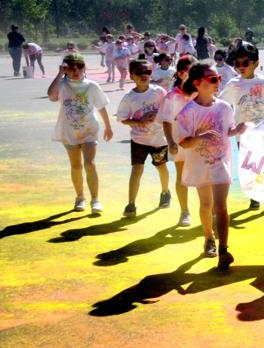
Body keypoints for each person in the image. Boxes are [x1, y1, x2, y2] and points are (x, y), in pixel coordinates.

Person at [174, 61, 247, 267]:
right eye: (213, 79)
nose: (218, 83)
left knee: (221, 206)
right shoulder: (188, 112)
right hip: (199, 164)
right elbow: (184, 143)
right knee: (206, 205)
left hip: (220, 162)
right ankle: (208, 237)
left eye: (219, 79)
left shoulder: (224, 107)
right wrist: (200, 137)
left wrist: (237, 130)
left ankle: (224, 249)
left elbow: (227, 130)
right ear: (197, 83)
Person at [46, 53, 113, 214]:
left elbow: (101, 106)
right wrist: (59, 74)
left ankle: (95, 199)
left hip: (89, 129)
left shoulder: (92, 86)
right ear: (65, 68)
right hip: (69, 131)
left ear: (84, 68)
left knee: (89, 164)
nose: (75, 70)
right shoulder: (62, 85)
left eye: (79, 66)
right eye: (70, 67)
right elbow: (51, 95)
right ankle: (80, 197)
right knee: (76, 166)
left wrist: (108, 127)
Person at [220, 42, 264, 212]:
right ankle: (254, 197)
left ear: (255, 63)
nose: (240, 67)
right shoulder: (233, 84)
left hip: (263, 129)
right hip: (243, 131)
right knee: (249, 165)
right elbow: (222, 104)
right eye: (237, 64)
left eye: (245, 63)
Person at [117, 59, 171, 218]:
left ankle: (165, 192)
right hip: (139, 140)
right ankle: (131, 204)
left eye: (147, 72)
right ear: (132, 75)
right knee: (136, 170)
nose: (144, 75)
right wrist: (138, 122)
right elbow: (123, 119)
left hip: (159, 140)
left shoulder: (159, 91)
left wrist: (157, 114)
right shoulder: (129, 97)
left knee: (161, 166)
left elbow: (168, 109)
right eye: (140, 72)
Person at [155, 55, 197, 227]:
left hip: (200, 142)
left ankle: (209, 211)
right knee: (182, 177)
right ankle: (184, 211)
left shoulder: (201, 92)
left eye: (192, 71)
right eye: (184, 71)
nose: (188, 74)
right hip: (179, 142)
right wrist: (171, 141)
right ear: (179, 74)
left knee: (206, 177)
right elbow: (165, 120)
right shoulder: (172, 96)